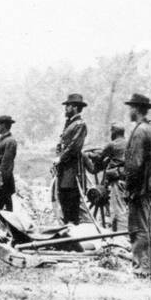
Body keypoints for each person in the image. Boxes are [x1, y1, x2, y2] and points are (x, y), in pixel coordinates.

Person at [122, 94, 151, 276]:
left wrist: (130, 189)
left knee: (137, 228)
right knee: (145, 227)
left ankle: (140, 268)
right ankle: (145, 267)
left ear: (136, 109)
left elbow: (134, 165)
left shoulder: (139, 132)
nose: (129, 111)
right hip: (149, 186)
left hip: (139, 189)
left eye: (130, 108)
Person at [54, 93, 89, 224]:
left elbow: (74, 146)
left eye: (67, 106)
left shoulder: (80, 124)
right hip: (64, 169)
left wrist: (60, 158)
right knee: (63, 199)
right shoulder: (69, 123)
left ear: (74, 107)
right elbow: (62, 143)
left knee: (70, 201)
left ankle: (73, 231)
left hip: (72, 171)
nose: (65, 109)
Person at [0, 115, 18, 220]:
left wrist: (1, 182)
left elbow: (6, 165)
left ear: (4, 125)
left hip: (3, 182)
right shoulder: (2, 140)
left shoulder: (10, 141)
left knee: (2, 211)